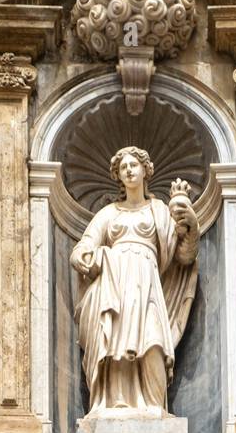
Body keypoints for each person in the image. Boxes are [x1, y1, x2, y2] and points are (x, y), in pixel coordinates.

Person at [71, 146, 198, 417]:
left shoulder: (159, 211)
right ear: (118, 175)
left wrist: (192, 227)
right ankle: (112, 403)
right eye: (123, 167)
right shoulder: (108, 213)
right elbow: (84, 246)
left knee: (153, 340)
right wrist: (84, 257)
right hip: (114, 285)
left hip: (148, 283)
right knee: (114, 342)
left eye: (134, 165)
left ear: (145, 171)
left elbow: (184, 258)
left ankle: (154, 407)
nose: (129, 169)